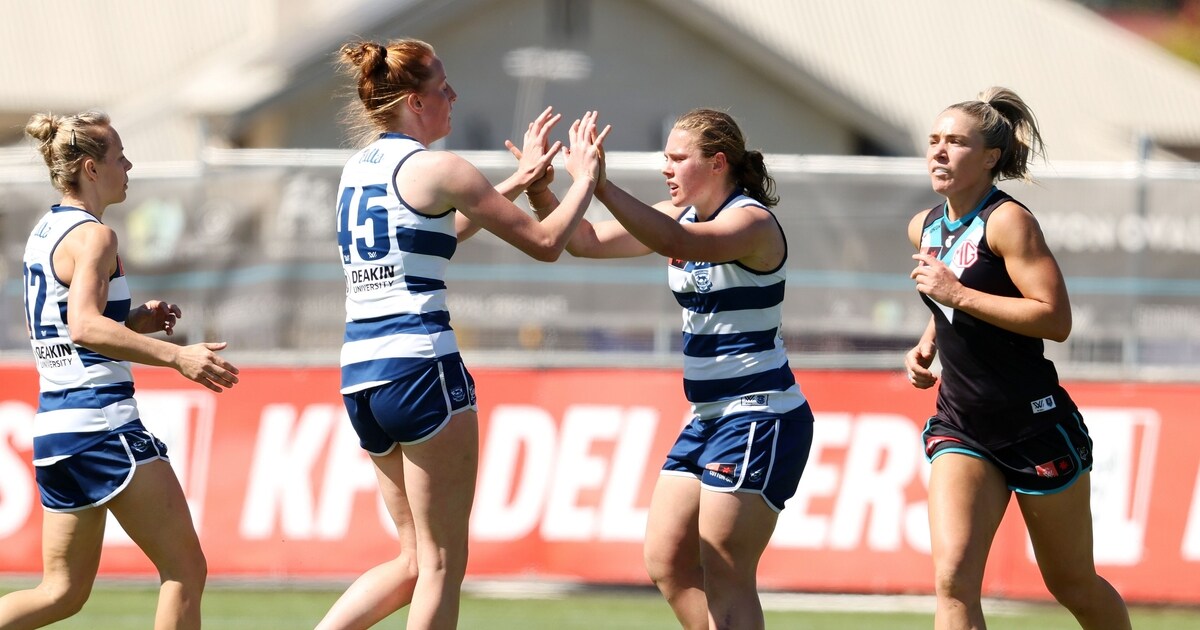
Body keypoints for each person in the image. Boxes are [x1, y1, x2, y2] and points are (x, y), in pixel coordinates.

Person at [318, 38, 607, 630]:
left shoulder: (358, 168)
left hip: (360, 376)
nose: (453, 96)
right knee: (443, 563)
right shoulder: (441, 167)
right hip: (421, 366)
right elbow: (548, 244)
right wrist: (585, 180)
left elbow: (435, 231)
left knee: (412, 561)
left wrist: (514, 182)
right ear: (414, 102)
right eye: (442, 86)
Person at [516, 108, 813, 630]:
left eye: (678, 159)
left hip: (760, 414)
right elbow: (582, 241)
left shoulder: (750, 220)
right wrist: (544, 190)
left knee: (725, 570)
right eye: (665, 159)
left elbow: (681, 246)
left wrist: (598, 184)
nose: (666, 169)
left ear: (718, 163)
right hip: (708, 417)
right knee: (668, 561)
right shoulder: (681, 217)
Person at [2, 111, 240, 629]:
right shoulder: (95, 237)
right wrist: (179, 355)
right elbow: (84, 327)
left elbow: (68, 325)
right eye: (119, 157)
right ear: (91, 168)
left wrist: (135, 321)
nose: (129, 165)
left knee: (60, 592)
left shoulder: (45, 230)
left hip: (57, 430)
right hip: (100, 425)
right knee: (185, 570)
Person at [904, 87, 1130, 630]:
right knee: (952, 580)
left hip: (1033, 424)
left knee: (1071, 582)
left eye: (955, 142)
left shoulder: (1009, 223)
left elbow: (1055, 319)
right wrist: (928, 341)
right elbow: (952, 297)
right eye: (934, 139)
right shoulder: (923, 225)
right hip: (962, 423)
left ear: (990, 158)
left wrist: (956, 295)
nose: (939, 151)